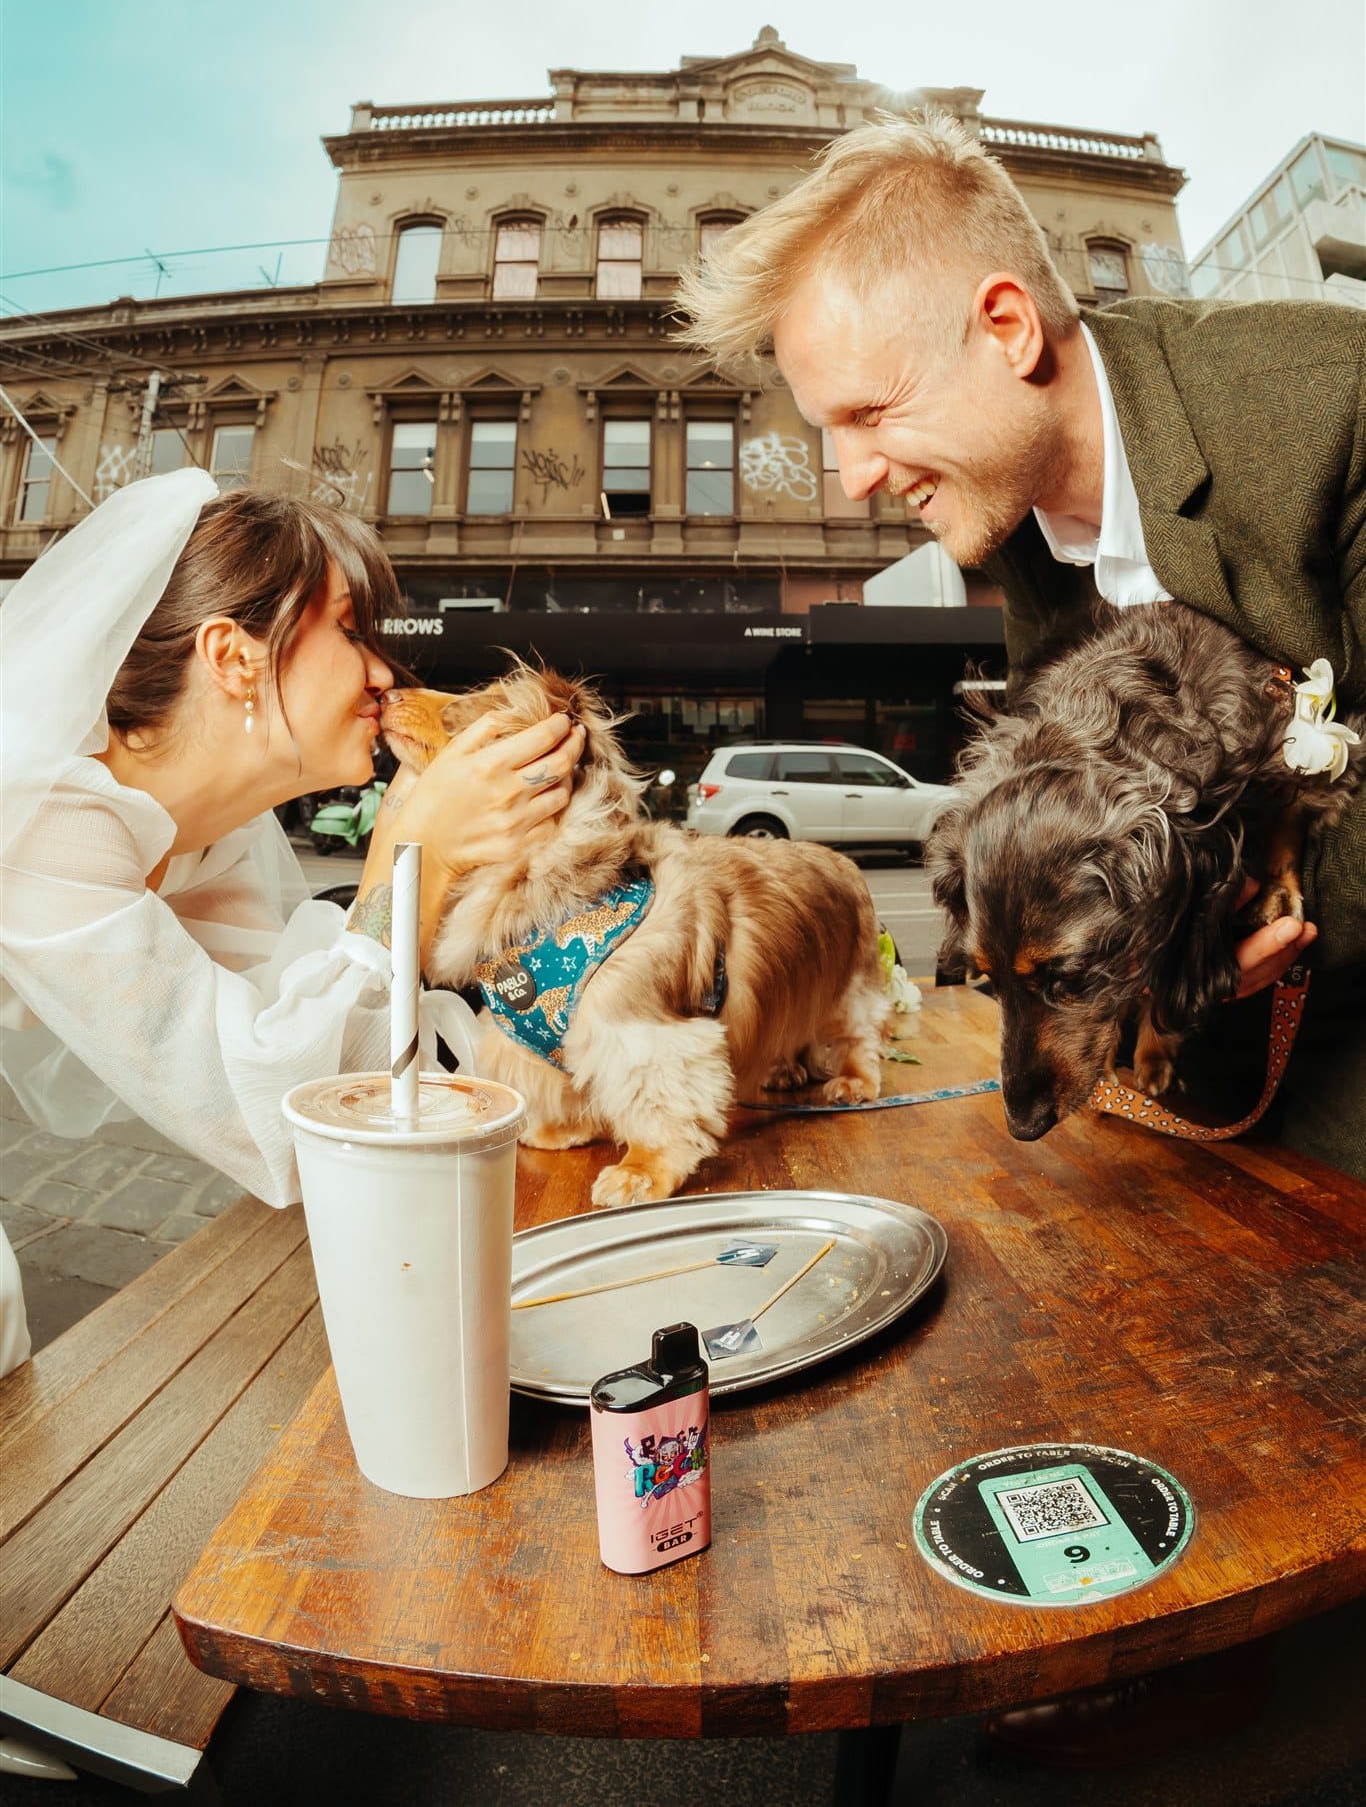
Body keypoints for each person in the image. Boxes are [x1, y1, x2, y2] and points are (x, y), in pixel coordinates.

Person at [676, 110, 1364, 1179]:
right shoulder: (1019, 532)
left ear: (1006, 325)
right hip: (1219, 1119)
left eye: (870, 410)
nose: (853, 474)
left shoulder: (1338, 404)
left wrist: (1184, 940)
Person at [0, 469, 584, 1372]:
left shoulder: (214, 836)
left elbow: (325, 1073)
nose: (385, 673)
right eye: (351, 630)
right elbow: (261, 1126)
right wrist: (405, 859)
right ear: (234, 655)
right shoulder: (45, 822)